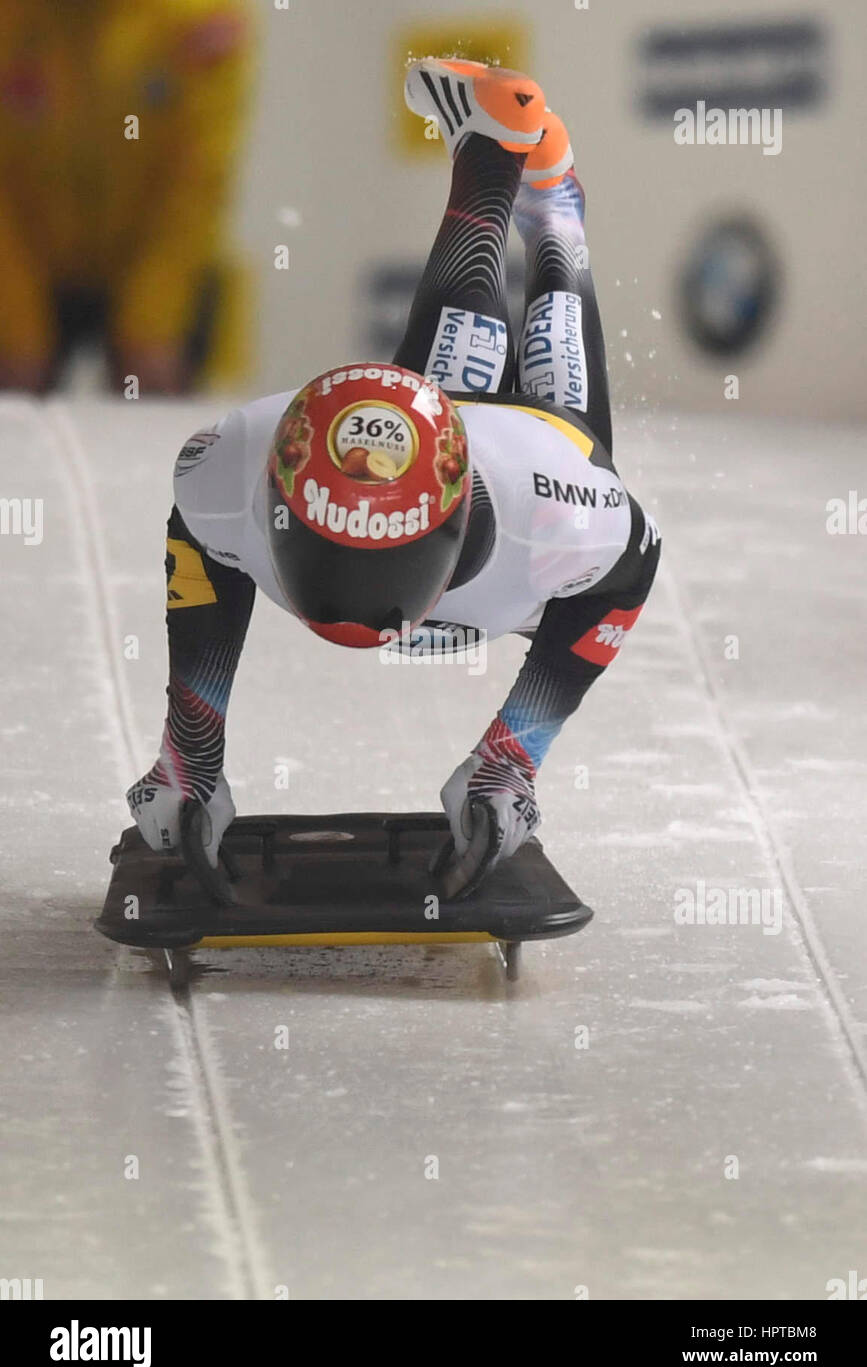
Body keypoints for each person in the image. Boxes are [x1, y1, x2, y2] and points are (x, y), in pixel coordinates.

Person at [126, 58, 661, 896]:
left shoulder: (560, 507)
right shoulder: (228, 466)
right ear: (274, 503)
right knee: (440, 385)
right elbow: (202, 543)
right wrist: (190, 757)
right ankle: (498, 152)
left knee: (562, 399)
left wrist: (508, 758)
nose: (349, 596)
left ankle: (550, 202)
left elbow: (631, 570)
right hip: (448, 444)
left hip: (531, 452)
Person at [0, 0, 250, 394]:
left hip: (158, 263)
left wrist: (153, 320)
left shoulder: (202, 18)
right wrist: (16, 326)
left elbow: (197, 182)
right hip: (23, 265)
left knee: (161, 424)